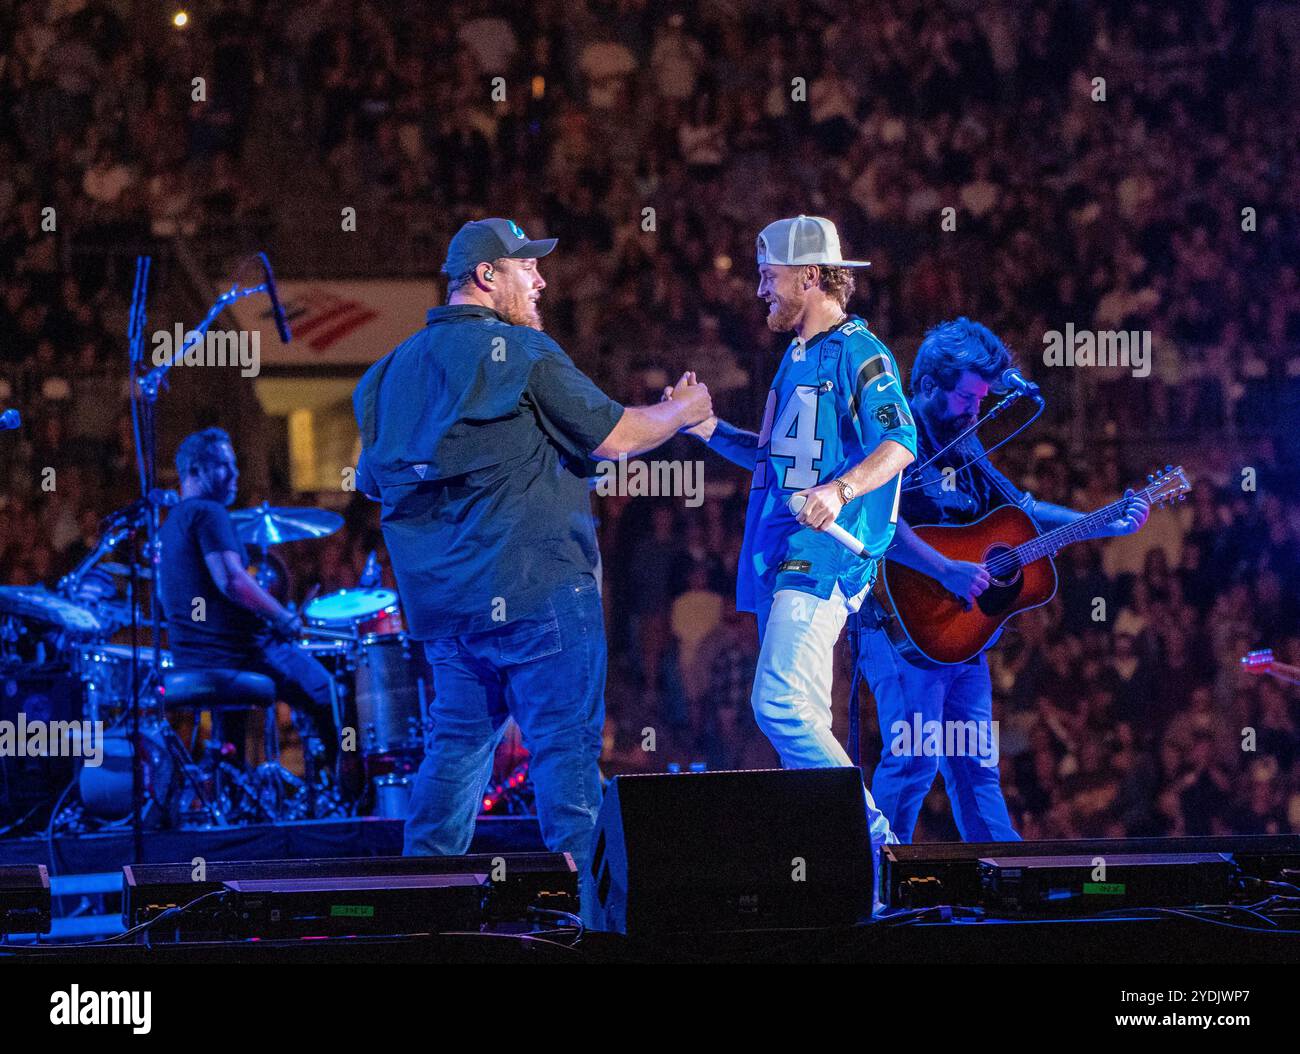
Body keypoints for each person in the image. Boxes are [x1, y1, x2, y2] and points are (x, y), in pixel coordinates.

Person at [353, 218, 712, 873]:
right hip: (541, 597)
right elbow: (618, 437)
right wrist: (684, 411)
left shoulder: (380, 379)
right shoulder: (522, 353)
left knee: (455, 753)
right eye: (528, 268)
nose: (543, 280)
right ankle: (584, 926)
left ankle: (425, 920)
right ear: (489, 276)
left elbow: (379, 485)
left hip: (450, 616)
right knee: (567, 763)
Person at [677, 215, 915, 861]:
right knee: (802, 717)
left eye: (768, 275)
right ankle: (844, 862)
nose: (760, 290)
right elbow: (777, 458)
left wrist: (839, 492)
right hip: (787, 554)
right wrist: (708, 431)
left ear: (809, 276)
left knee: (777, 701)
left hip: (824, 552)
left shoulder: (861, 351)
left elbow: (901, 441)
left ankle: (875, 844)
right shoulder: (798, 355)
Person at [858, 318, 1149, 842]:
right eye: (968, 398)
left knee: (976, 772)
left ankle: (1005, 890)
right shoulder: (894, 436)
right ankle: (877, 889)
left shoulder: (964, 444)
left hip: (960, 636)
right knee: (913, 765)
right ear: (927, 386)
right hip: (900, 631)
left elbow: (1022, 510)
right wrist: (945, 569)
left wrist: (1099, 519)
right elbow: (878, 523)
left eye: (982, 398)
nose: (977, 410)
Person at [157, 428, 337, 780]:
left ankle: (233, 797)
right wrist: (282, 617)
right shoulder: (209, 512)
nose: (236, 474)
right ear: (194, 471)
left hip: (194, 657)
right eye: (224, 466)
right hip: (239, 653)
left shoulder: (169, 525)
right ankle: (340, 792)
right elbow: (233, 581)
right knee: (326, 689)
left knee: (232, 743)